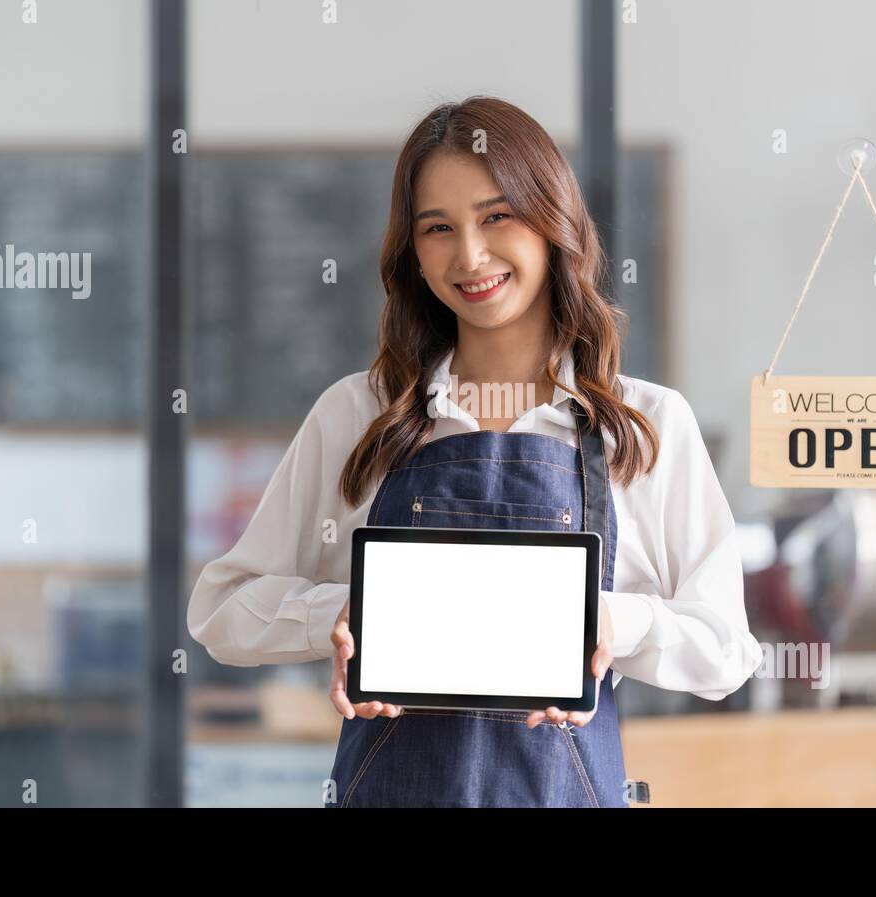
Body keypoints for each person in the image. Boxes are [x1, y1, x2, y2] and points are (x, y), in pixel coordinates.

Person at [187, 95, 763, 808]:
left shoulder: (644, 427)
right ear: (413, 253)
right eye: (438, 228)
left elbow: (727, 650)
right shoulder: (359, 414)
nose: (470, 254)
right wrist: (343, 612)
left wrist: (614, 622)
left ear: (553, 219)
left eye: (497, 216)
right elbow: (222, 608)